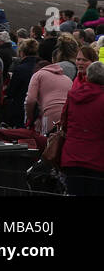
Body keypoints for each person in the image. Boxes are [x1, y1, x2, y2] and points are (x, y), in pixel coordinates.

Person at [60, 61, 104, 195]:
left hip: (72, 156)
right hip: (97, 158)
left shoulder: (73, 95)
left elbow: (64, 122)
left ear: (88, 76)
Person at [25, 35, 78, 134]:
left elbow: (30, 100)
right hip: (70, 113)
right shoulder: (74, 70)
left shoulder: (43, 73)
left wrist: (29, 118)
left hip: (50, 113)